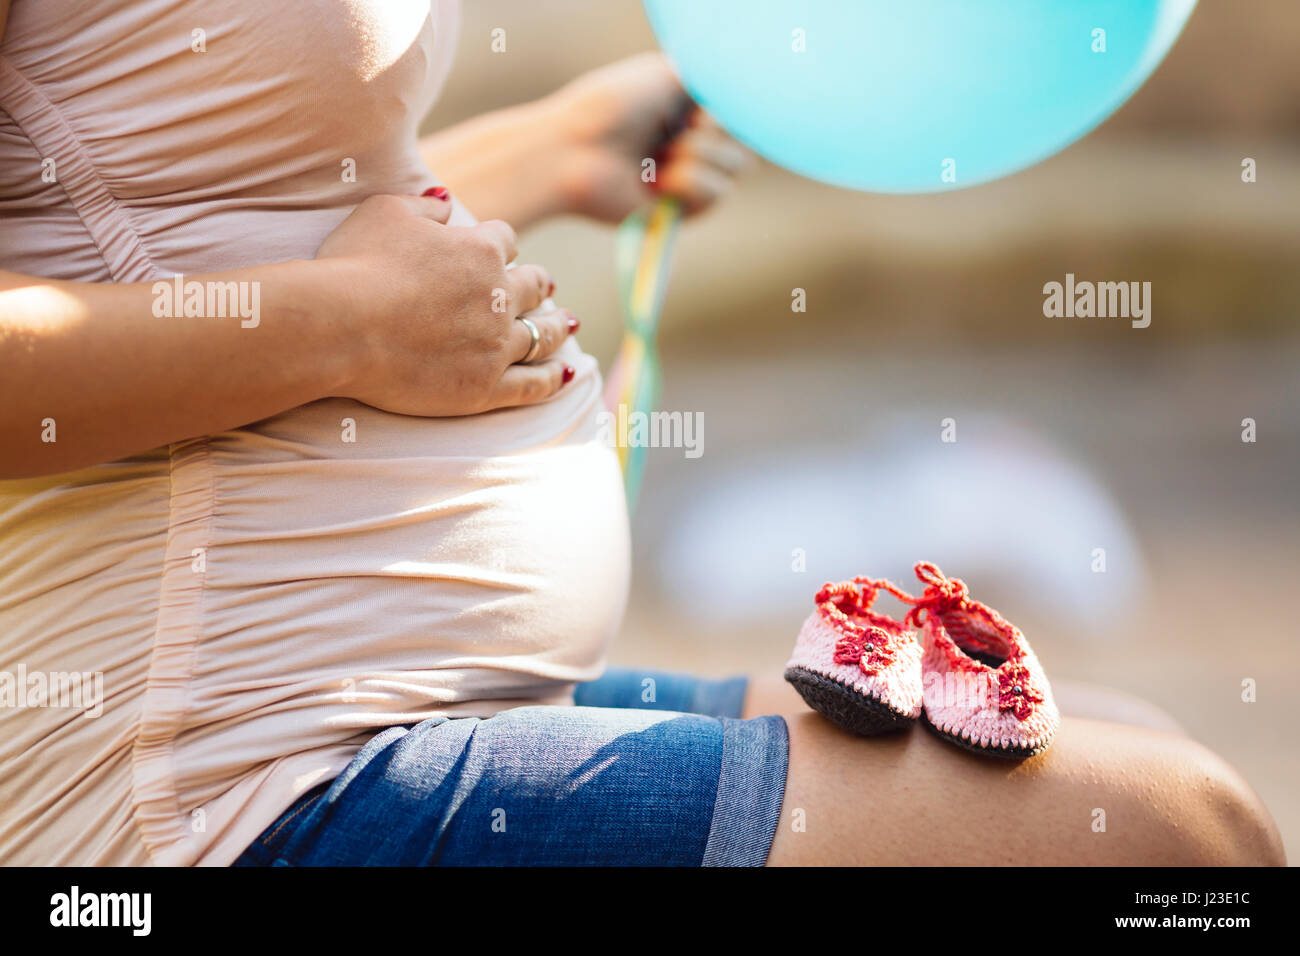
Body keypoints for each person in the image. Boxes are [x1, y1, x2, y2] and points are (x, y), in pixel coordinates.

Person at [0, 0, 1283, 866]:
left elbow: (209, 193)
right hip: (226, 788)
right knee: (1175, 831)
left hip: (423, 702)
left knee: (1139, 737)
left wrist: (549, 145)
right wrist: (342, 330)